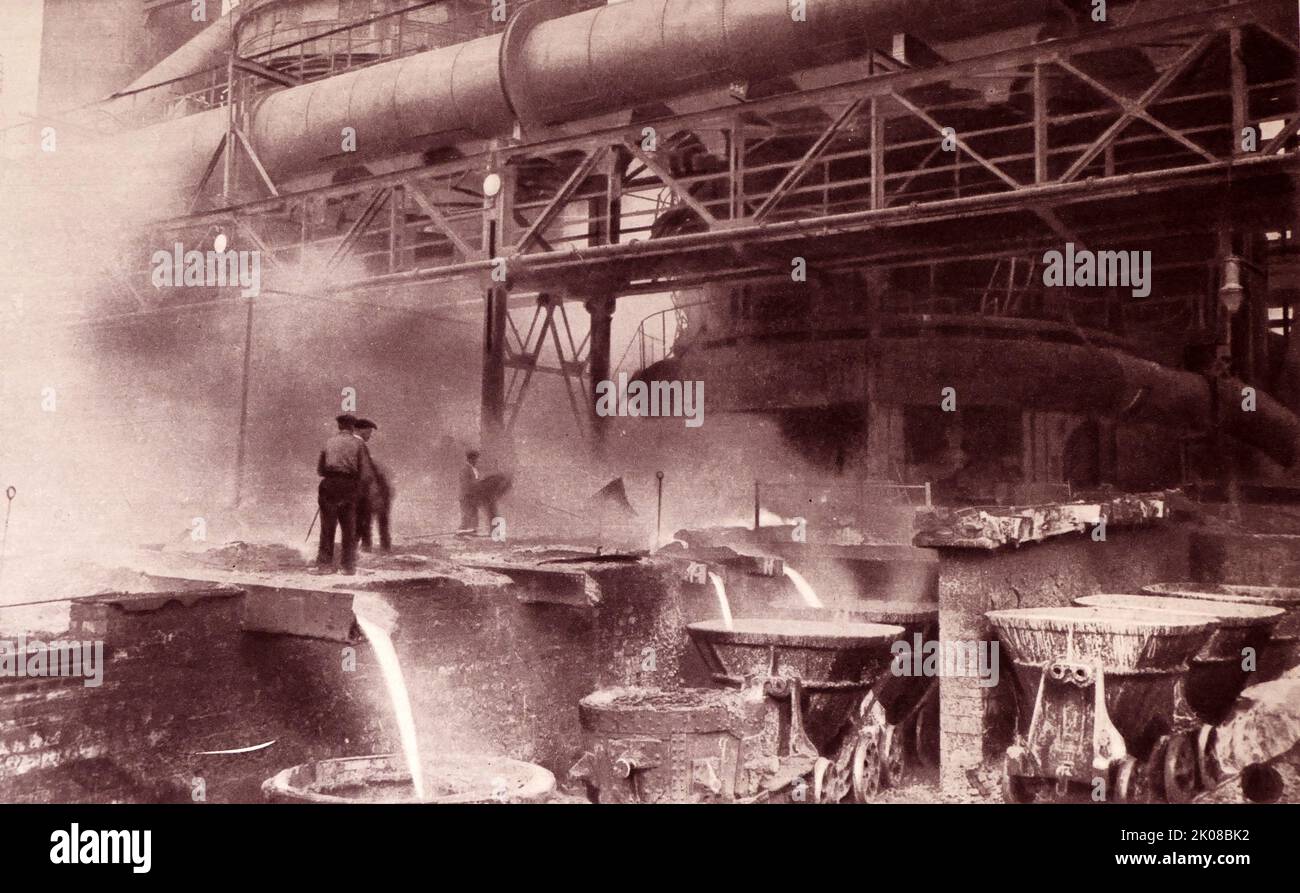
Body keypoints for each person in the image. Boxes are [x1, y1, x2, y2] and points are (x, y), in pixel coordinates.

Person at [314, 413, 370, 574]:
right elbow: (364, 471)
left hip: (329, 484)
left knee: (327, 526)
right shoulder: (358, 444)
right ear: (352, 427)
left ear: (339, 426)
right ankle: (347, 567)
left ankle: (324, 566)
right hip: (349, 486)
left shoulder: (328, 442)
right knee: (349, 527)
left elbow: (320, 470)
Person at [354, 418, 393, 552]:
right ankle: (372, 548)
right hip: (366, 489)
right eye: (368, 431)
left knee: (364, 520)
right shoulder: (357, 444)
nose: (370, 435)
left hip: (364, 489)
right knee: (367, 520)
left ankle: (365, 548)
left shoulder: (356, 444)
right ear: (360, 430)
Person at [458, 449, 482, 535]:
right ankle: (460, 533)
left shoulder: (473, 469)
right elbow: (465, 484)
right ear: (470, 459)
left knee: (474, 514)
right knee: (467, 515)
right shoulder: (465, 469)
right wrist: (471, 494)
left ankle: (472, 532)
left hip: (473, 496)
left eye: (476, 459)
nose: (476, 461)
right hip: (466, 496)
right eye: (475, 459)